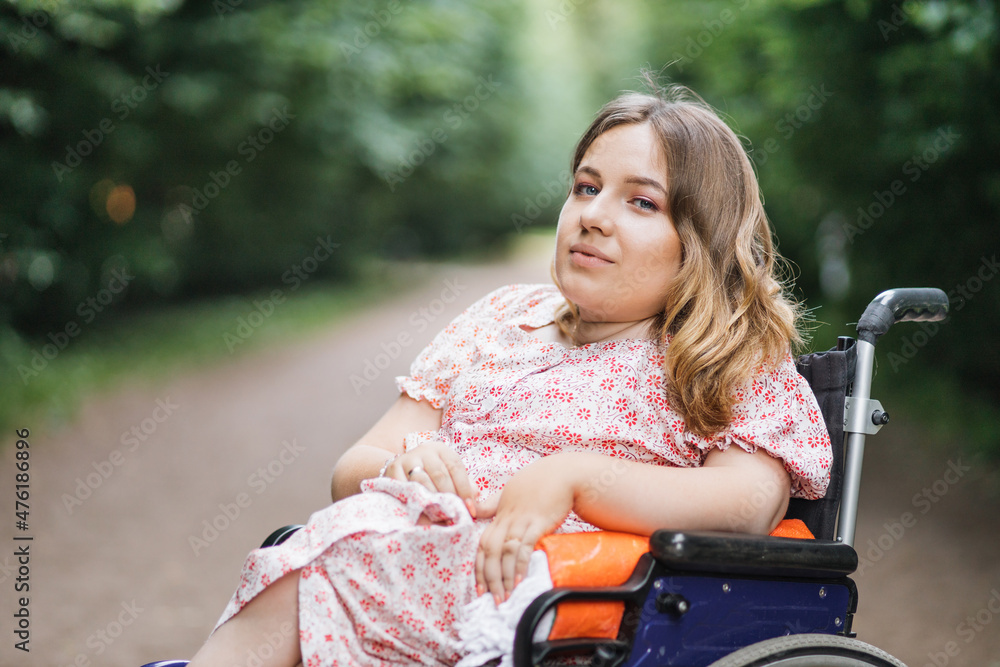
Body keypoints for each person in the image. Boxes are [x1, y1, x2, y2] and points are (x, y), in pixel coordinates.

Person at [186, 80, 832, 667]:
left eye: (640, 201)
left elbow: (746, 503)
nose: (593, 215)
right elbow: (354, 465)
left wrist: (577, 478)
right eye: (586, 186)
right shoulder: (500, 318)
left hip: (560, 603)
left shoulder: (727, 349)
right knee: (314, 555)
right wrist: (401, 467)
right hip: (408, 548)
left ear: (703, 238)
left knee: (318, 566)